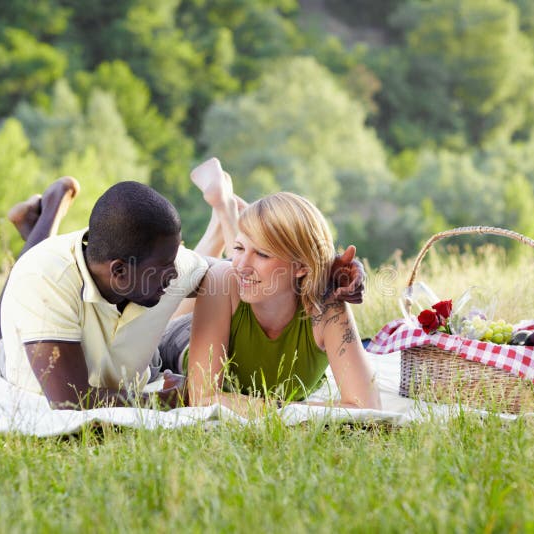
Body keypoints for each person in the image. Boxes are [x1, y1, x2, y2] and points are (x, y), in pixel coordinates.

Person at [0, 159, 366, 410]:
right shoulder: (44, 283)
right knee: (17, 306)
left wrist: (327, 269)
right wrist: (156, 402)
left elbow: (227, 273)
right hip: (24, 330)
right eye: (164, 268)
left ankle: (220, 222)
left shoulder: (173, 270)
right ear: (119, 272)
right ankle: (43, 222)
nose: (176, 275)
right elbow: (71, 402)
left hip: (111, 328)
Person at [155, 162, 380, 414]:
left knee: (235, 273)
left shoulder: (326, 304)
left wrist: (267, 408)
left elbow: (368, 406)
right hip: (183, 334)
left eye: (263, 254)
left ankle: (225, 213)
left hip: (247, 297)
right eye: (238, 248)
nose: (242, 263)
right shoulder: (224, 278)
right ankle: (223, 213)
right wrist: (295, 410)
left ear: (302, 266)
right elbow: (203, 398)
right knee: (208, 276)